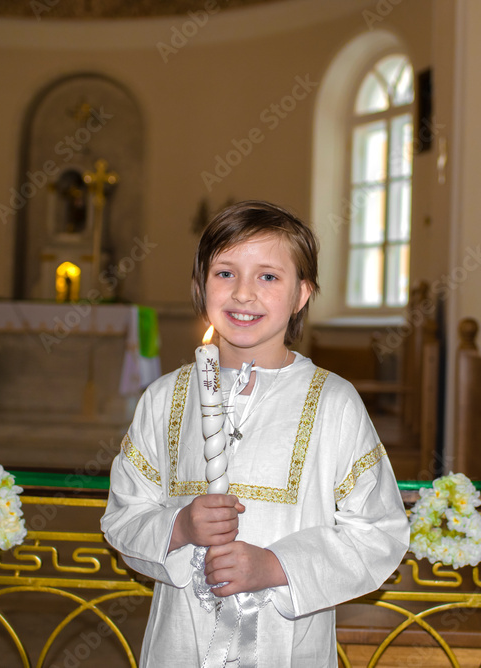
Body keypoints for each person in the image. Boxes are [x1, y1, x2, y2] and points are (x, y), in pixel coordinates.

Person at [101, 200, 410, 667]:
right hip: (182, 641)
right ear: (201, 285)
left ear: (301, 294)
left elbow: (378, 533)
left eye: (268, 276)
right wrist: (179, 527)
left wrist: (275, 566)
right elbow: (124, 515)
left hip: (286, 647)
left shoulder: (333, 403)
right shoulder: (164, 399)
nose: (244, 294)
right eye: (225, 273)